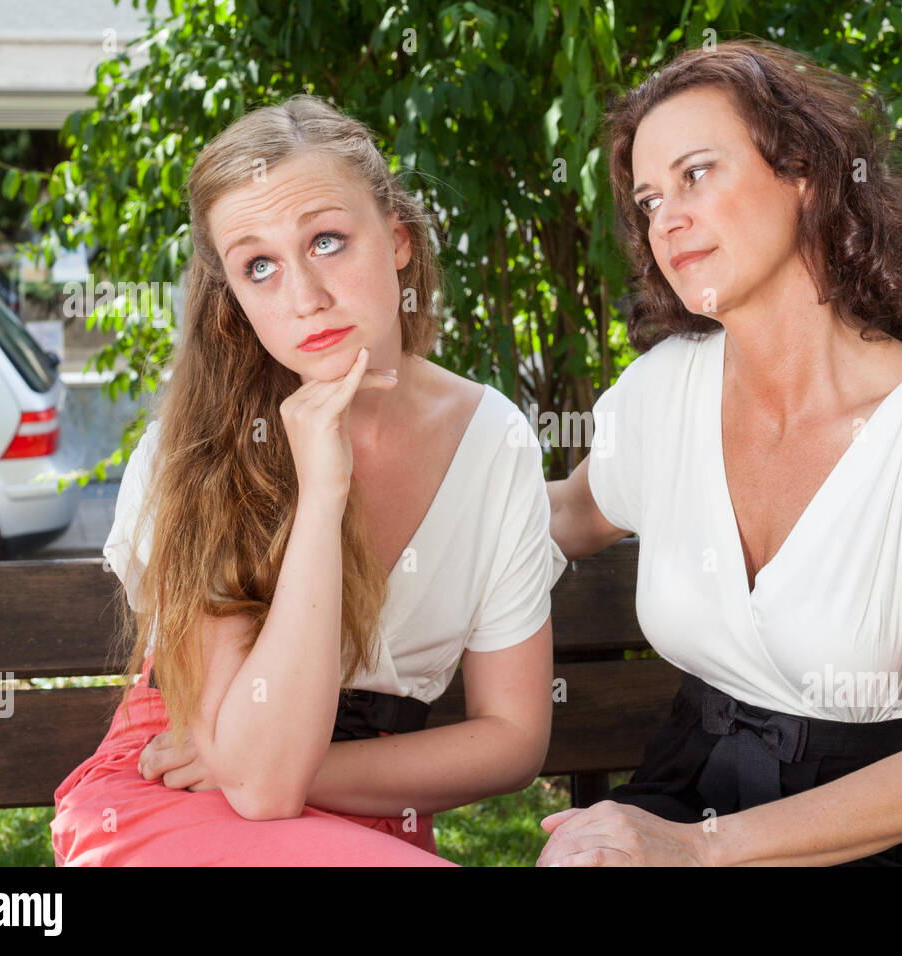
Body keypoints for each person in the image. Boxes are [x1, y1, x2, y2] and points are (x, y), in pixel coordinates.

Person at [540, 39, 902, 866]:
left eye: (696, 174)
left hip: (875, 837)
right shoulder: (665, 390)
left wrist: (698, 850)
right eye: (650, 198)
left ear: (803, 172)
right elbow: (570, 513)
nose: (667, 217)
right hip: (681, 783)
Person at [50, 94, 558, 866]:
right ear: (233, 296)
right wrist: (322, 492)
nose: (304, 297)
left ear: (397, 240)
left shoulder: (495, 441)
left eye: (326, 241)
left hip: (360, 810)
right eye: (259, 266)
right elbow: (259, 788)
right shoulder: (197, 450)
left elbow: (514, 737)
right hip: (176, 801)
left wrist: (298, 766)